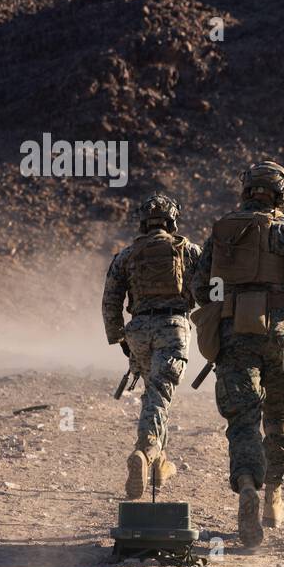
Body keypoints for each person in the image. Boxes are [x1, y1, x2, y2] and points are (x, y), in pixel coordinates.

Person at [190, 161, 284, 548]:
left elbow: (200, 288)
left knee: (243, 418)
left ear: (246, 190)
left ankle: (248, 483)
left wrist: (233, 298)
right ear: (281, 194)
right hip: (278, 333)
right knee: (278, 413)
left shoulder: (221, 231)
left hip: (233, 334)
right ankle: (273, 498)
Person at [101, 193, 202, 499]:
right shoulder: (188, 250)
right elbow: (211, 289)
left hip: (139, 331)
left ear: (143, 223)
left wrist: (120, 338)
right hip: (173, 328)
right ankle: (145, 451)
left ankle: (159, 462)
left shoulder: (126, 255)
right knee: (159, 395)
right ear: (172, 221)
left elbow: (110, 301)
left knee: (155, 395)